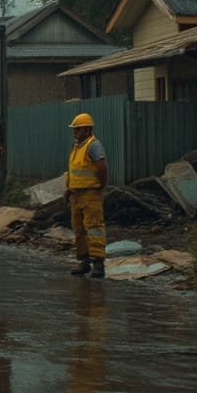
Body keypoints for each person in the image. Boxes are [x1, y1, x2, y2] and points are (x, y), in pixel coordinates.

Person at [66, 112, 108, 278]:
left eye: (77, 130)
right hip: (76, 194)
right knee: (79, 229)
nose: (74, 133)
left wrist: (101, 186)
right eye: (74, 130)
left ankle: (98, 263)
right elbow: (73, 170)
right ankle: (84, 262)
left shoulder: (93, 145)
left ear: (87, 129)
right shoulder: (77, 146)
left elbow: (102, 167)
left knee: (94, 228)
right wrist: (68, 189)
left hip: (90, 194)